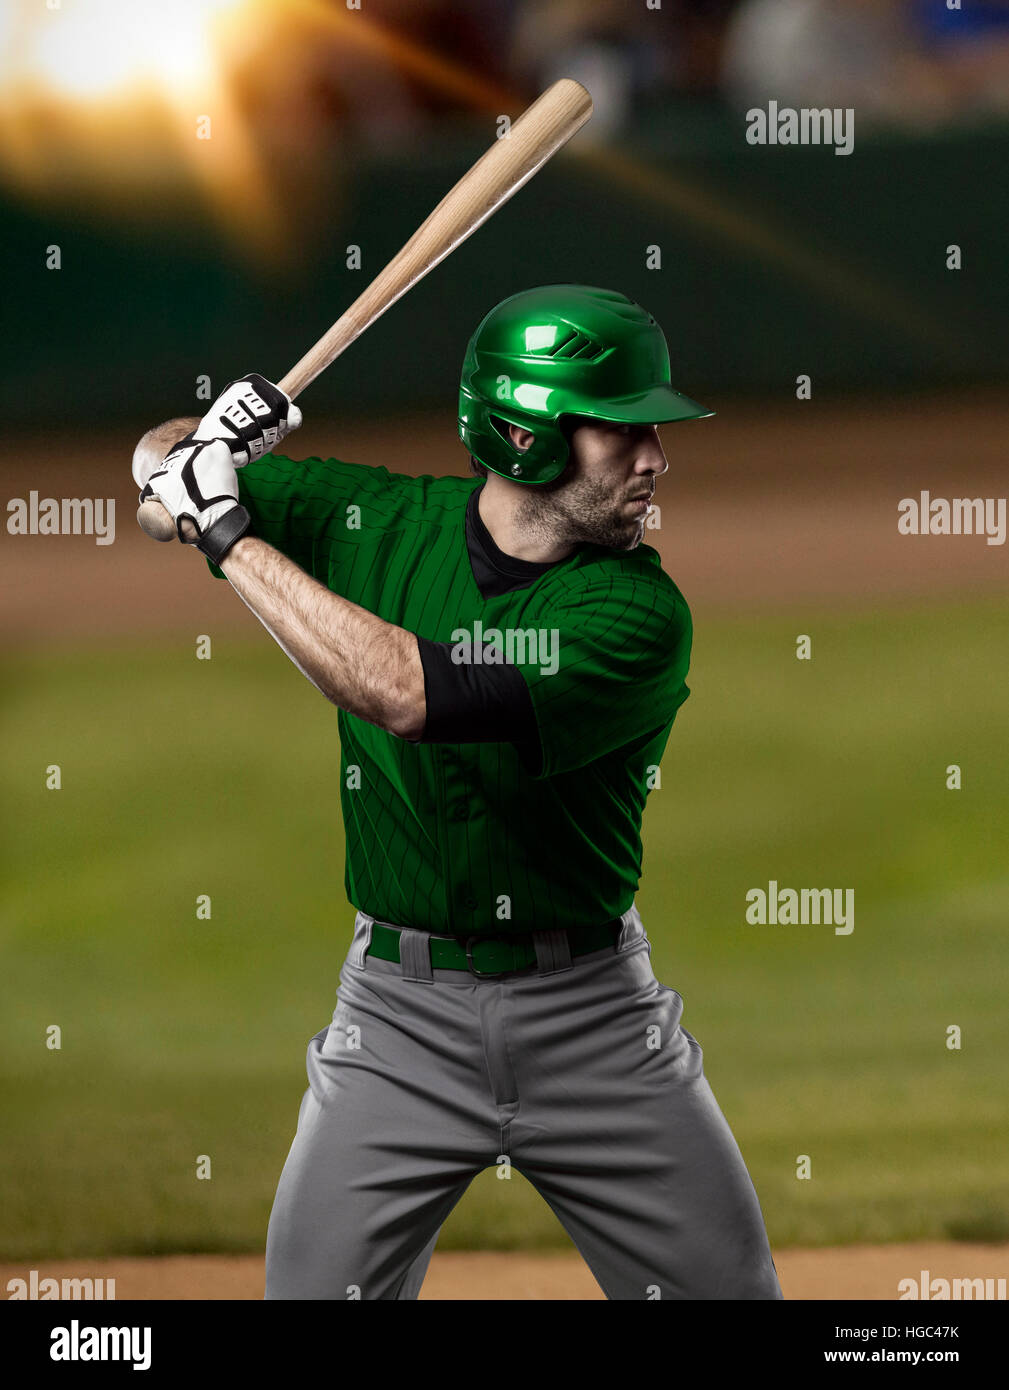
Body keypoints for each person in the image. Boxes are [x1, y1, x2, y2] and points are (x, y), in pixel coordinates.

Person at [133, 284, 783, 1301]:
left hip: (595, 1023)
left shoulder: (636, 613)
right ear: (525, 437)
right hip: (393, 1022)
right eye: (622, 429)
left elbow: (403, 689)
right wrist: (204, 440)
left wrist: (228, 534)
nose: (657, 456)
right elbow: (152, 471)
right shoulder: (378, 520)